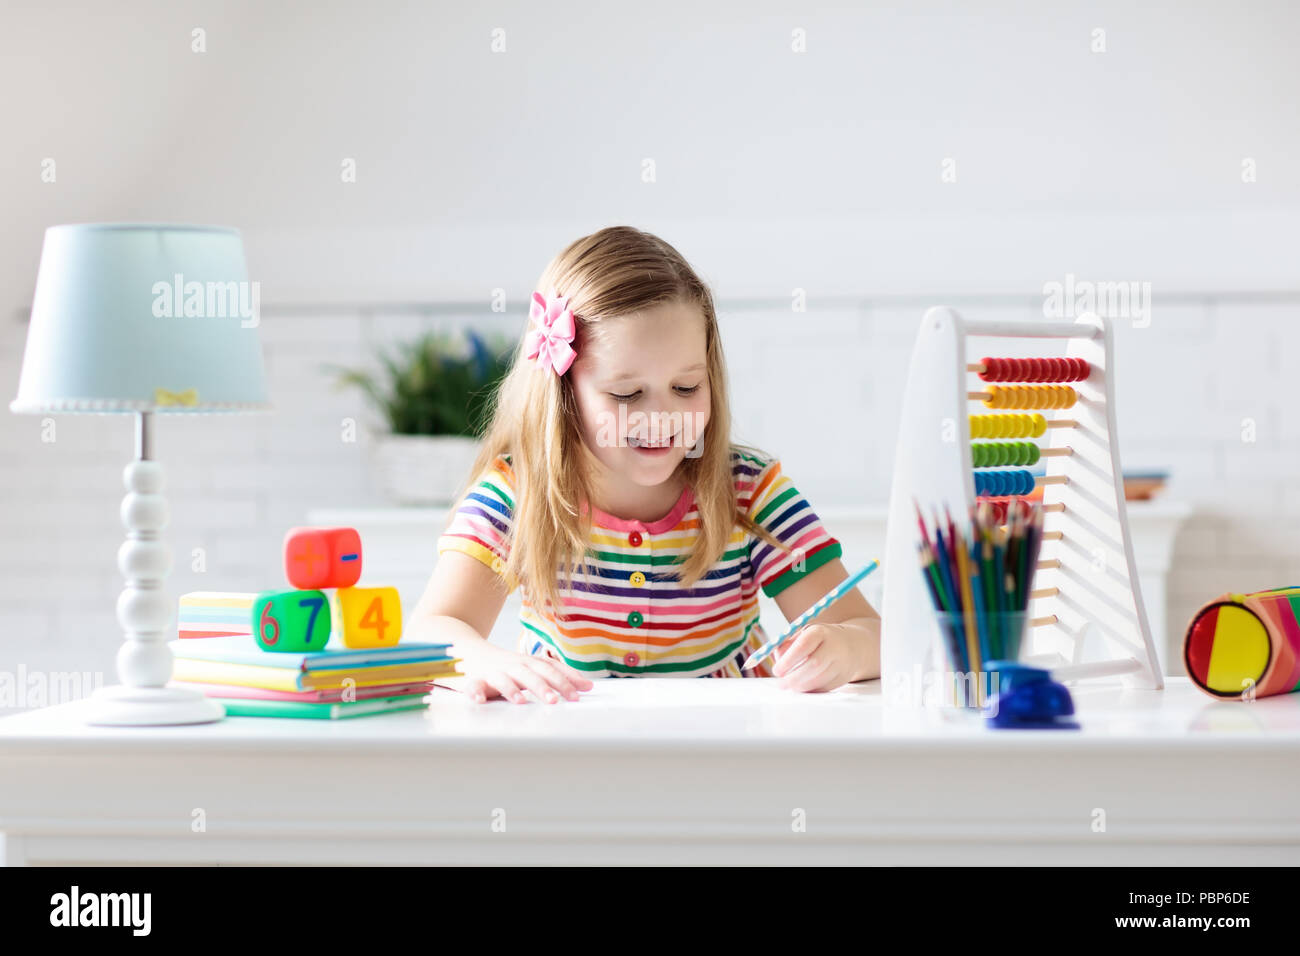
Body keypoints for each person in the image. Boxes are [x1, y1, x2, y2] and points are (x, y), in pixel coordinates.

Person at [411, 226, 880, 704]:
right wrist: (484, 659)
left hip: (725, 754)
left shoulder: (748, 491)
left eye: (686, 388)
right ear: (564, 392)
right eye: (626, 394)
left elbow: (872, 634)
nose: (663, 418)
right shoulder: (521, 491)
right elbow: (431, 632)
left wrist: (847, 649)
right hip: (569, 754)